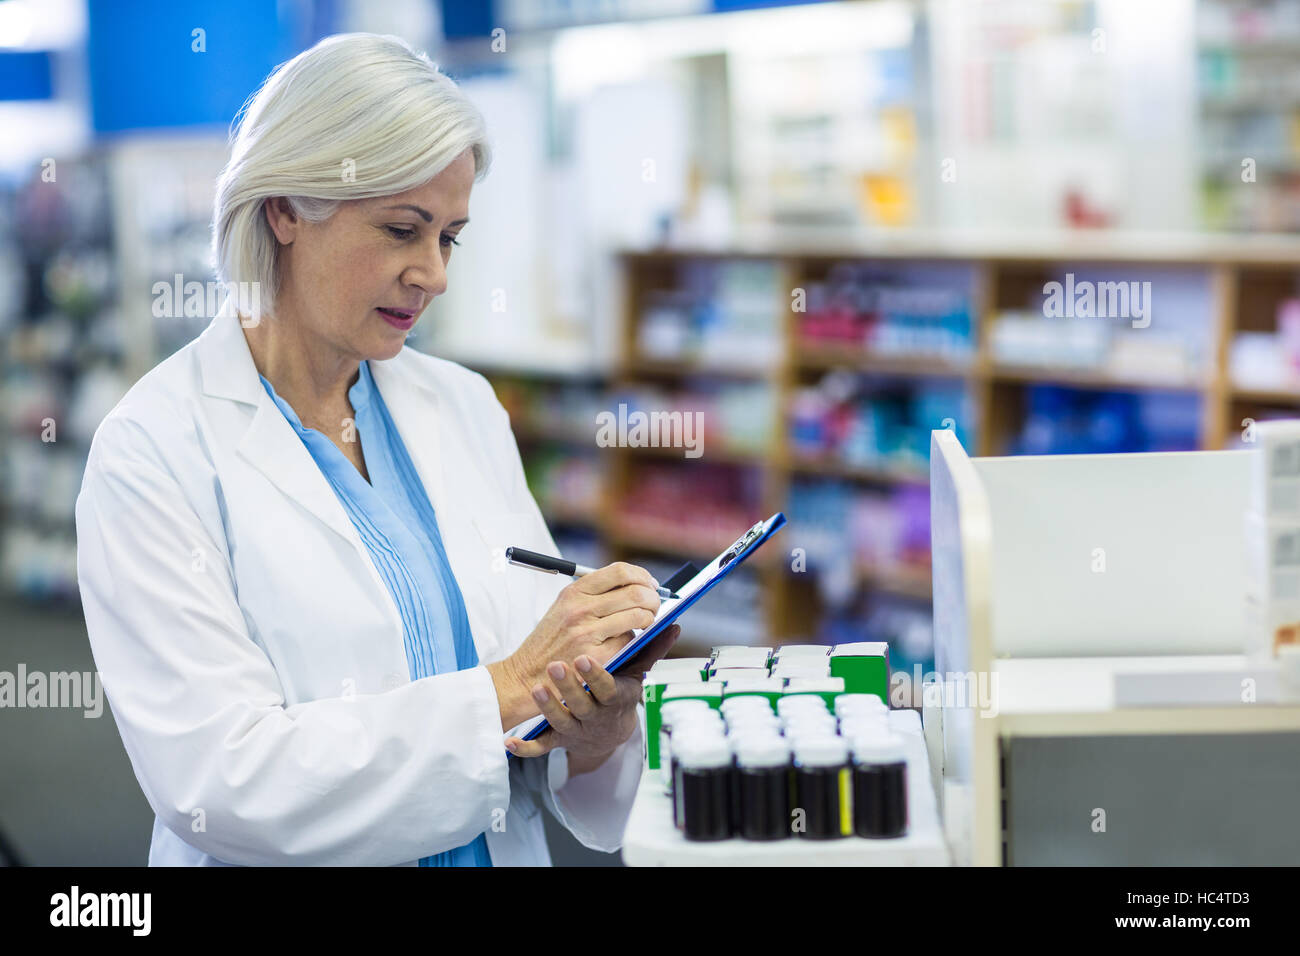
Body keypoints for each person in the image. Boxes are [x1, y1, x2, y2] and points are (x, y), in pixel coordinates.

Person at [74, 32, 678, 866]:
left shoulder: (461, 407)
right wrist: (506, 688)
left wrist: (596, 721)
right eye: (403, 230)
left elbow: (543, 715)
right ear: (284, 207)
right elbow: (219, 778)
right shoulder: (154, 452)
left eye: (449, 238)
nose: (432, 273)